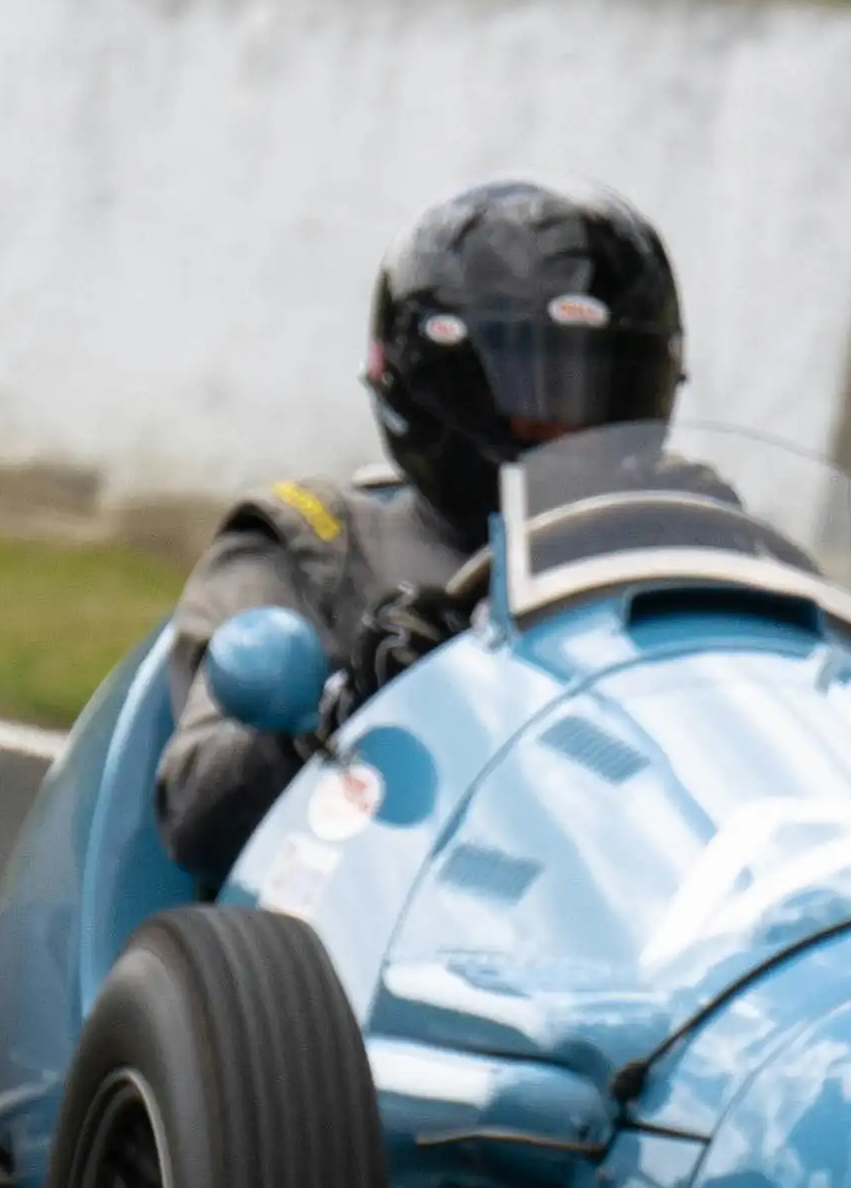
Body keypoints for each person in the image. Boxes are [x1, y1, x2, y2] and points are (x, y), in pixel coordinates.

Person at [154, 177, 689, 882]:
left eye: (604, 394)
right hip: (367, 920)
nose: (570, 431)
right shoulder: (315, 549)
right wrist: (344, 709)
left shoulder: (700, 554)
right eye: (538, 396)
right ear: (433, 380)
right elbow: (196, 812)